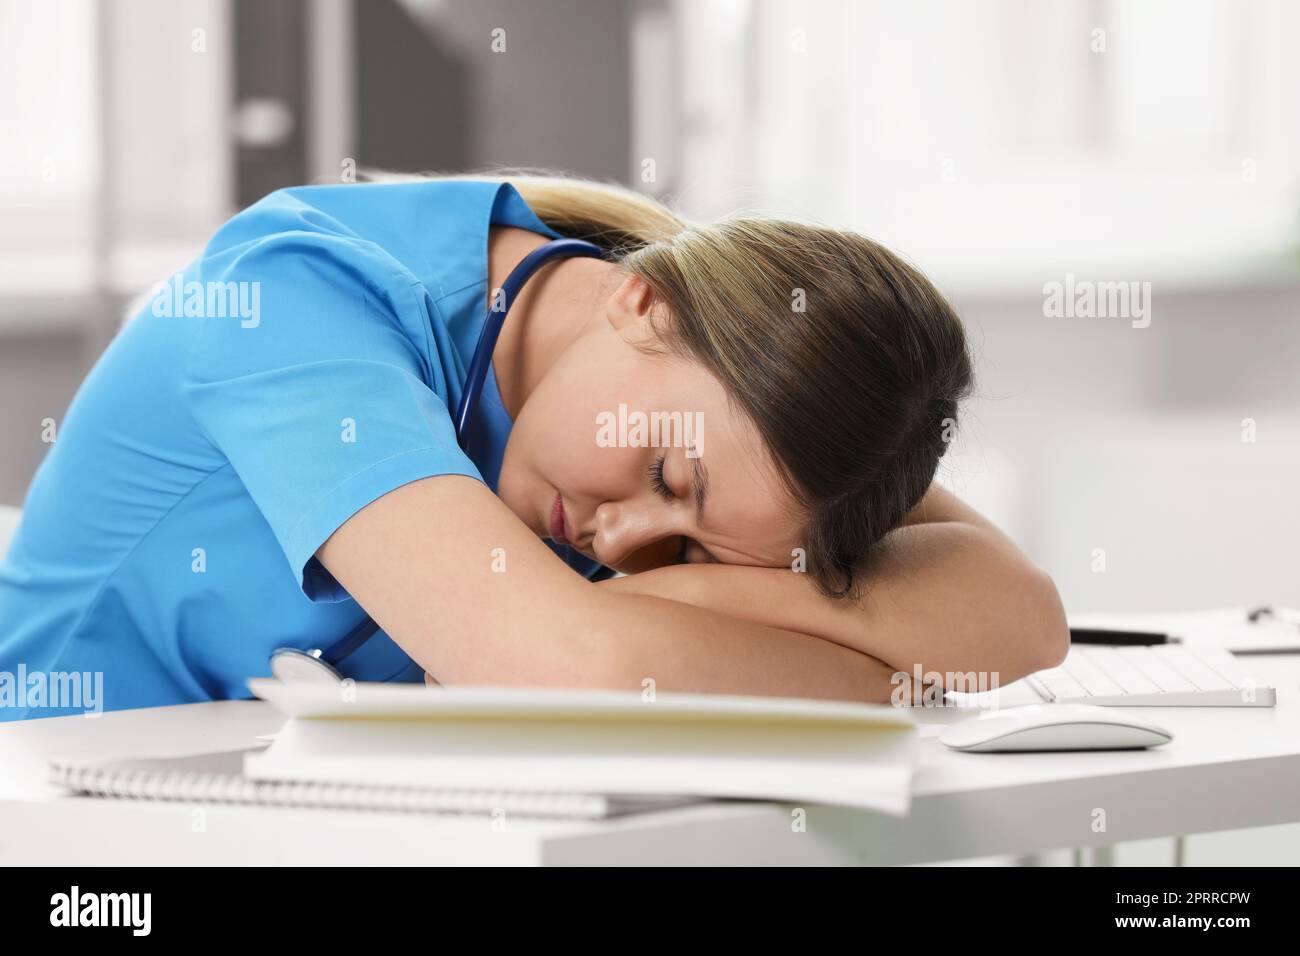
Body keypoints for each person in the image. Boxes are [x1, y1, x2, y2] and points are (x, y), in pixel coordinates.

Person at [0, 169, 1067, 720]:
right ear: (644, 303)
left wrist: (707, 599)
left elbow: (1017, 618)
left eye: (697, 541)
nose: (628, 538)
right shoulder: (293, 295)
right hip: (73, 821)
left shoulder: (715, 415)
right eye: (666, 476)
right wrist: (881, 677)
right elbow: (565, 666)